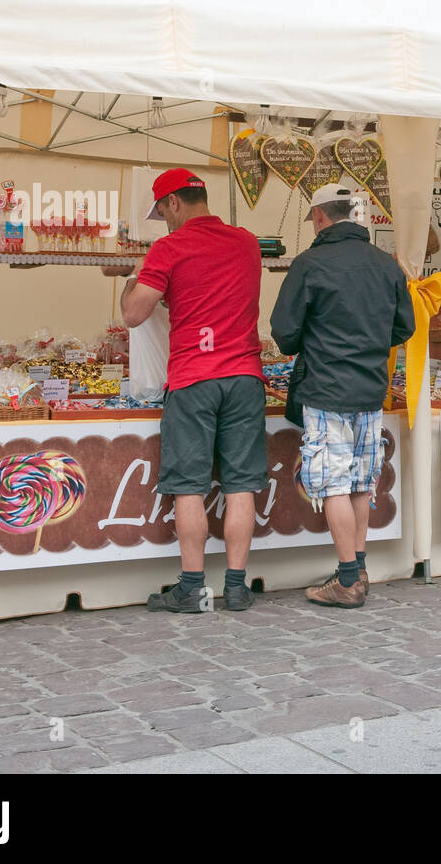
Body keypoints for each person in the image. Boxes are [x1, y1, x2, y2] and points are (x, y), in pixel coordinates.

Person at [103, 168, 266, 613]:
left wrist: (135, 277)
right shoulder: (247, 242)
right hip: (245, 376)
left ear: (173, 202)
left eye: (162, 212)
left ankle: (193, 588)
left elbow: (134, 314)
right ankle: (235, 586)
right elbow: (215, 290)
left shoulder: (169, 248)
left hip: (194, 377)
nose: (164, 222)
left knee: (189, 487)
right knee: (241, 486)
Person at [271, 183, 414, 608]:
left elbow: (285, 333)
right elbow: (403, 327)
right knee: (360, 482)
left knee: (334, 482)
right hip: (370, 387)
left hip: (326, 386)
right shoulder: (386, 265)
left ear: (319, 216)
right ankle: (359, 566)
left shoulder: (310, 263)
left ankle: (348, 579)